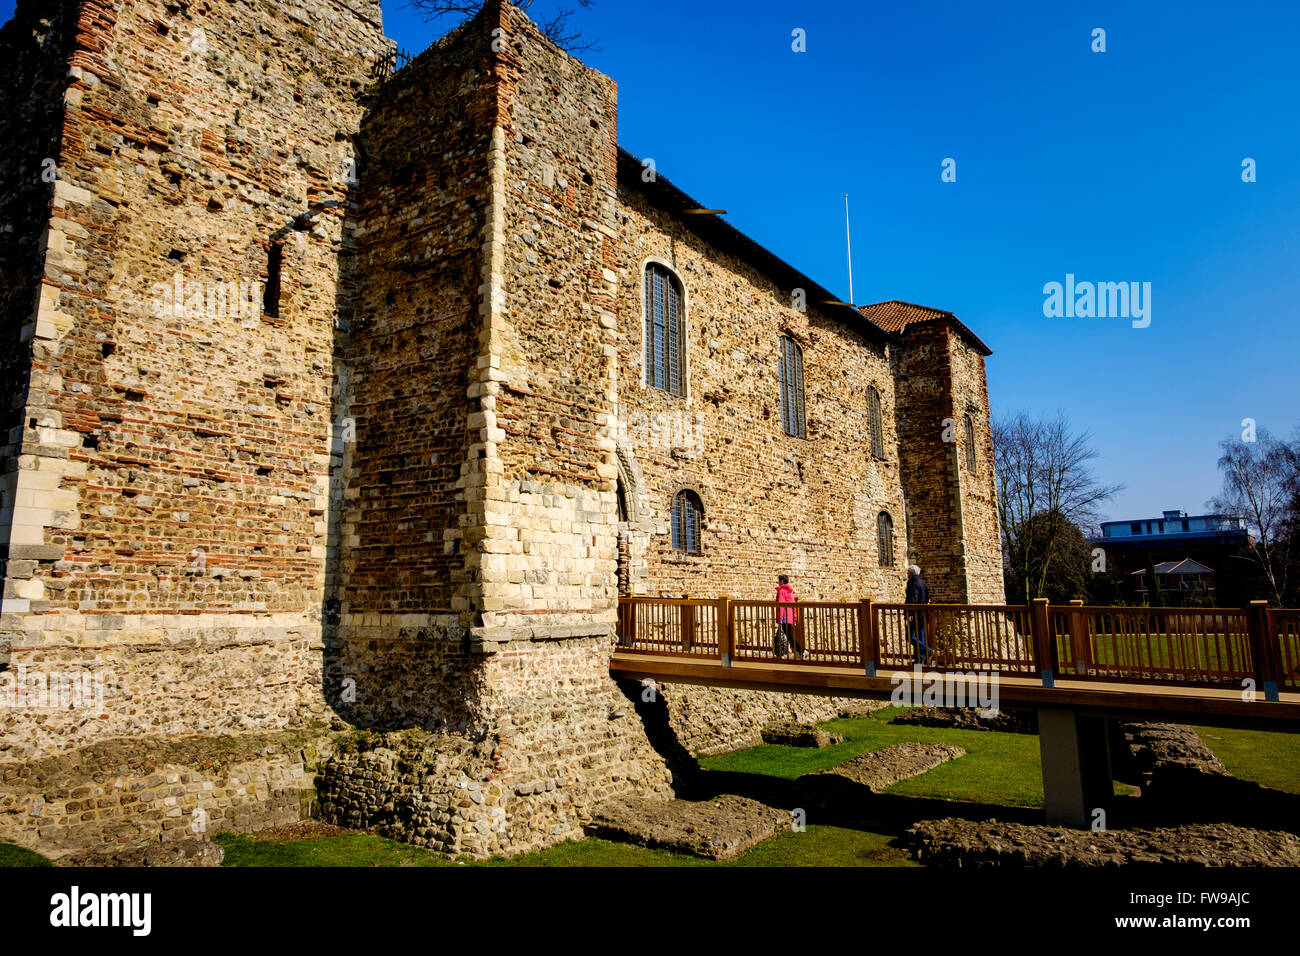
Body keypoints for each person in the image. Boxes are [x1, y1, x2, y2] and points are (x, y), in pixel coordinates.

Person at [774, 574, 807, 659]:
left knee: (789, 636)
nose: (778, 582)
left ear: (782, 581)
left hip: (784, 617)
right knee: (789, 635)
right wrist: (794, 618)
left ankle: (801, 651)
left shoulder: (781, 591)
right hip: (790, 617)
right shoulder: (790, 591)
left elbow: (781, 606)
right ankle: (799, 651)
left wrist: (780, 619)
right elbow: (793, 606)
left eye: (779, 580)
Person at [905, 564, 930, 664]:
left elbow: (912, 599)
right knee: (920, 636)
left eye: (908, 572)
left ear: (911, 573)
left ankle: (927, 651)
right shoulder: (923, 583)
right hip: (923, 613)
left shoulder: (912, 583)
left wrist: (910, 613)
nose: (907, 574)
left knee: (909, 636)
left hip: (915, 614)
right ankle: (920, 659)